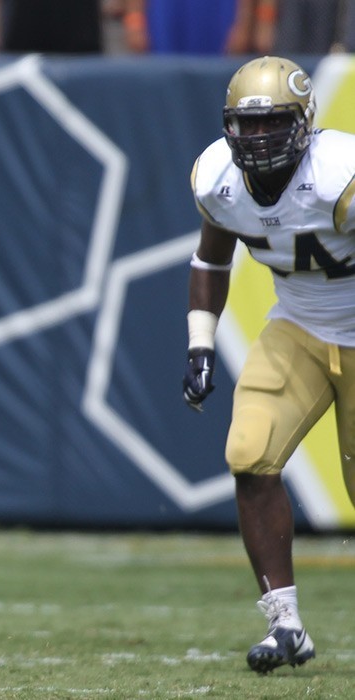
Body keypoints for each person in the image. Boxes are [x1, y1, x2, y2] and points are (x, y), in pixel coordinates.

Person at [183, 55, 353, 673]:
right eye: (246, 125)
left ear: (304, 121)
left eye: (273, 123)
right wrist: (201, 344)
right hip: (297, 328)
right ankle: (285, 625)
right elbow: (210, 259)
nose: (257, 138)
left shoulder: (340, 175)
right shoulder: (217, 177)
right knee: (249, 454)